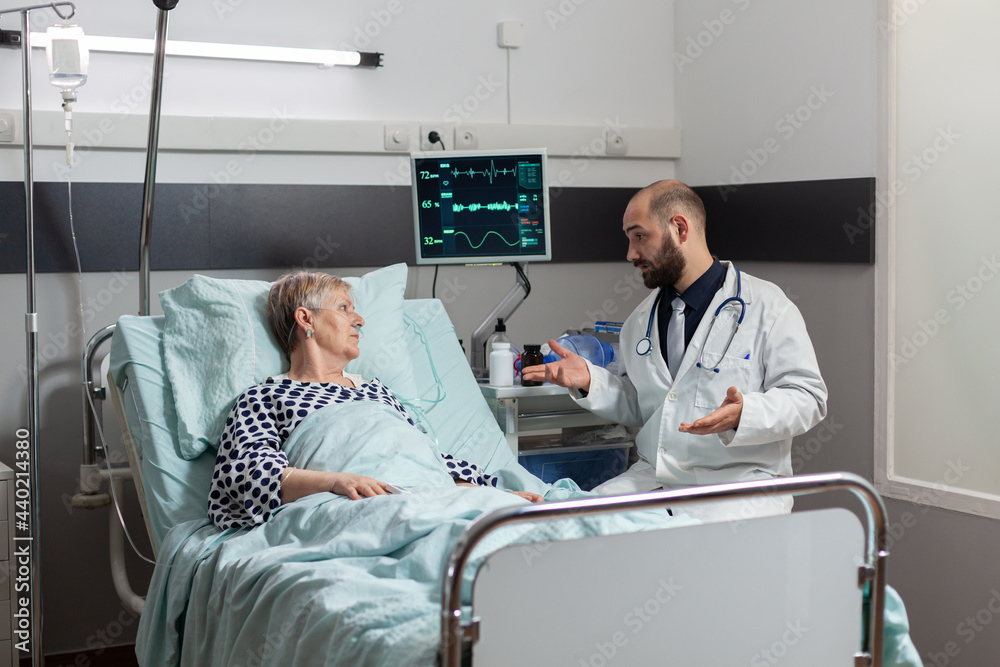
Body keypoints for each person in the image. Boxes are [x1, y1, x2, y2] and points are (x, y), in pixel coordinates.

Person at [522, 180, 828, 522]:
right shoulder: (640, 321)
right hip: (655, 479)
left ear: (679, 228)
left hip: (737, 484)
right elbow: (648, 405)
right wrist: (592, 382)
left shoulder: (767, 307)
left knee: (699, 557)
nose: (630, 254)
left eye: (639, 236)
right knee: (575, 521)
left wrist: (746, 413)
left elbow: (808, 398)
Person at [209, 271, 541, 530]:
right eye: (343, 308)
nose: (360, 320)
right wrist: (338, 482)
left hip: (431, 496)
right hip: (358, 506)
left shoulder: (376, 392)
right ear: (305, 318)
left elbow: (428, 460)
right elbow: (248, 477)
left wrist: (488, 493)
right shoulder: (265, 397)